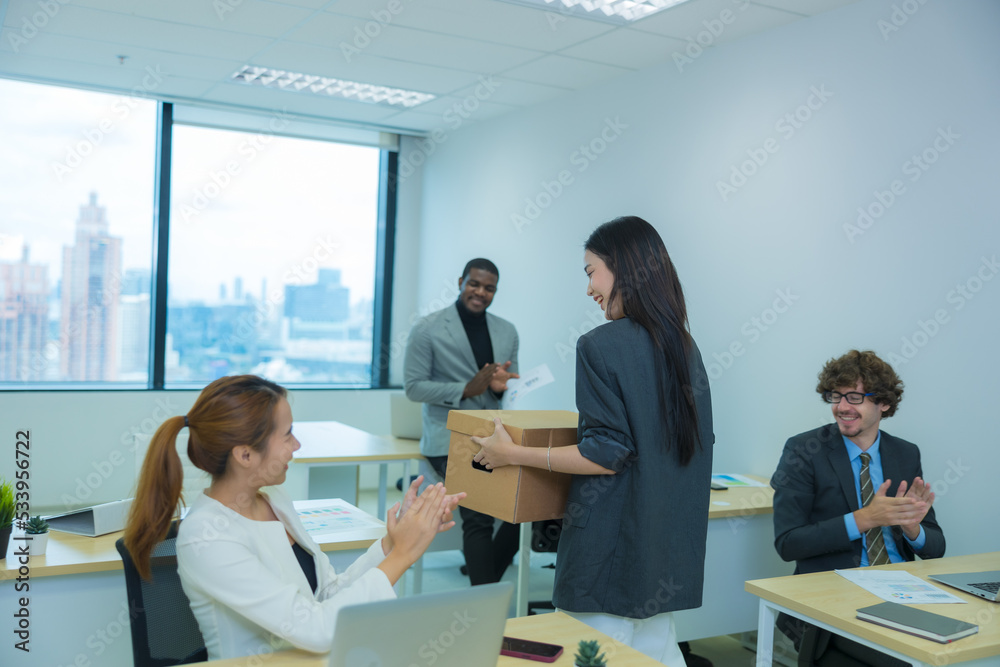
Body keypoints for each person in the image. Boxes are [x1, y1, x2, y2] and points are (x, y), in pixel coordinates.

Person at [472, 217, 715, 666]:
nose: (589, 288)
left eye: (591, 272)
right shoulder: (685, 346)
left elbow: (605, 452)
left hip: (609, 556)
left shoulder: (599, 345)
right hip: (661, 558)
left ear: (622, 268)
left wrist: (511, 454)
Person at [123, 375, 461, 661]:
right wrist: (403, 556)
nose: (296, 445)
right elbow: (315, 629)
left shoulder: (273, 501)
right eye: (287, 435)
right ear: (245, 454)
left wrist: (391, 544)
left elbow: (327, 594)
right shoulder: (206, 537)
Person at [771, 350, 945, 667]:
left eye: (855, 397)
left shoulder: (904, 453)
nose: (841, 407)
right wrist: (864, 519)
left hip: (901, 592)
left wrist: (912, 527)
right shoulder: (804, 450)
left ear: (884, 404)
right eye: (835, 396)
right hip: (834, 598)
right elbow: (788, 543)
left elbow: (935, 548)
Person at [403, 258, 521, 585]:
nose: (480, 292)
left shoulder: (506, 331)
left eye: (489, 288)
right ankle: (485, 601)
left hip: (495, 437)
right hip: (448, 438)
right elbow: (413, 387)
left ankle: (485, 584)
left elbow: (506, 389)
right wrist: (466, 389)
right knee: (479, 514)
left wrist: (501, 387)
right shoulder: (427, 328)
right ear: (461, 281)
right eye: (474, 284)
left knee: (523, 509)